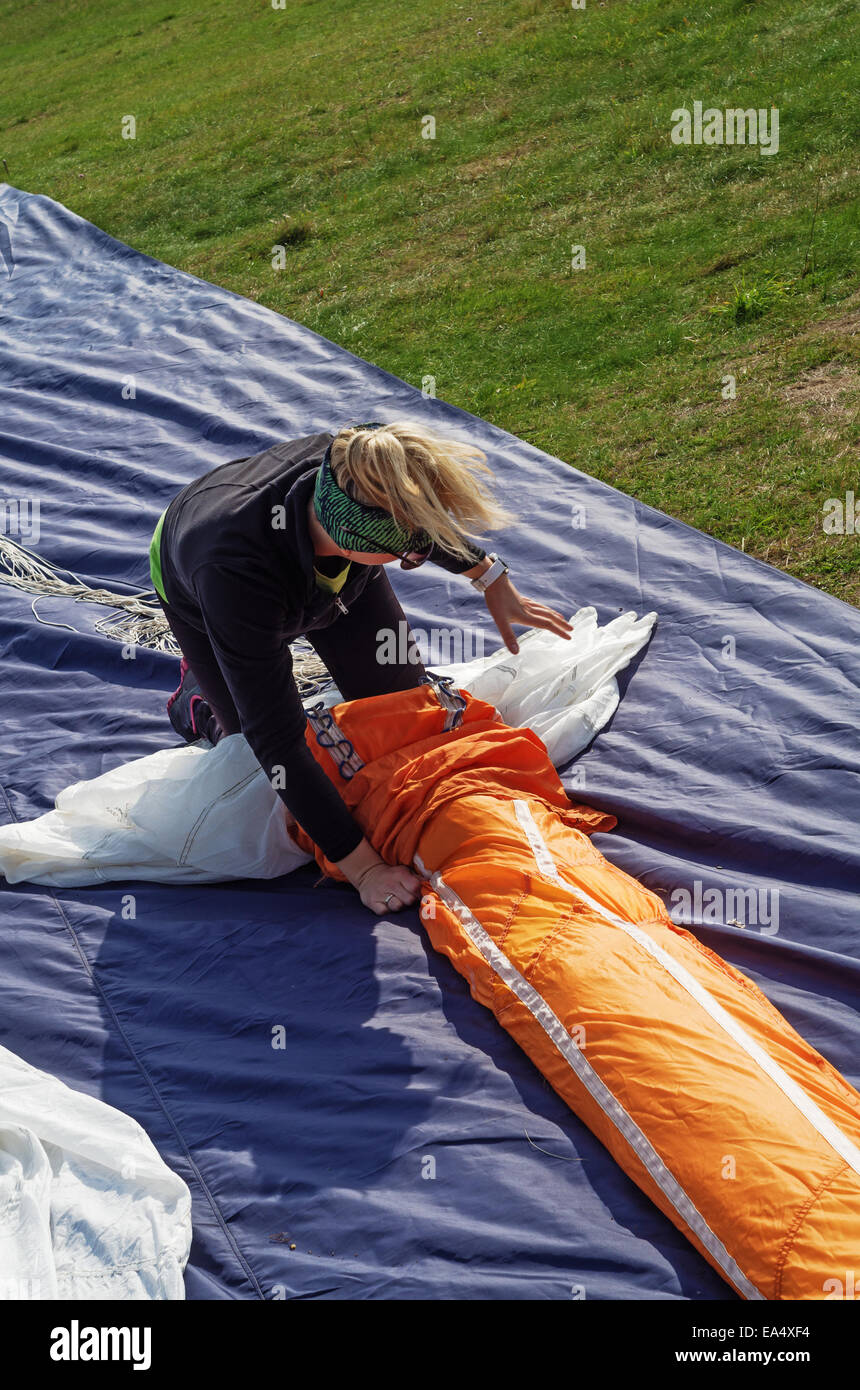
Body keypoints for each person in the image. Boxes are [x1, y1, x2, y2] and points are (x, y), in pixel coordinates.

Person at [148, 420, 573, 915]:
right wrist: (363, 867)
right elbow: (279, 744)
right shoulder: (231, 571)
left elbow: (415, 518)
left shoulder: (363, 462)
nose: (413, 560)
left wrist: (490, 576)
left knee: (398, 705)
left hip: (335, 569)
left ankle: (284, 639)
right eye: (406, 557)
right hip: (206, 582)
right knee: (248, 754)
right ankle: (199, 699)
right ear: (354, 537)